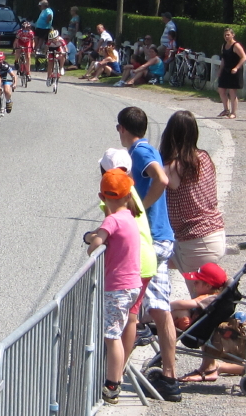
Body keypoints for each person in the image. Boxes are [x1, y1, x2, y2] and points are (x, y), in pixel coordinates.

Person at [116, 106, 180, 402]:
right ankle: (165, 372)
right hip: (160, 236)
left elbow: (162, 179)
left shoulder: (139, 152)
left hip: (152, 238)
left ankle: (163, 375)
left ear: (123, 129)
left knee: (153, 307)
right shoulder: (148, 147)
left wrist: (139, 205)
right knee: (154, 306)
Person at [93, 148, 157, 367]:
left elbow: (109, 228)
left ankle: (115, 375)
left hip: (132, 265)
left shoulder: (113, 201)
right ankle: (117, 372)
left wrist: (93, 238)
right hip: (143, 258)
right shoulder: (130, 192)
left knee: (127, 322)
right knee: (131, 318)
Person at [84, 168, 142, 405]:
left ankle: (112, 384)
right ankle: (112, 379)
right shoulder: (129, 217)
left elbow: (94, 246)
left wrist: (91, 238)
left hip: (117, 288)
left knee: (111, 335)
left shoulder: (112, 219)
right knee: (116, 330)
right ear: (129, 195)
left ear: (102, 197)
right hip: (133, 284)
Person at [159, 110, 226, 295]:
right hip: (212, 233)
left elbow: (158, 178)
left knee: (201, 306)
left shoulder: (175, 166)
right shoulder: (203, 157)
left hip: (195, 241)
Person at [170, 262, 227, 331]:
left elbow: (182, 304)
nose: (194, 283)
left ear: (208, 286)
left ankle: (159, 323)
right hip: (198, 325)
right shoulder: (216, 295)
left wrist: (166, 305)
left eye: (197, 282)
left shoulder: (208, 298)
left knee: (182, 311)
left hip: (192, 330)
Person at [217, 27, 246, 119]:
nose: (226, 37)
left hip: (234, 71)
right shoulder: (224, 45)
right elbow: (223, 59)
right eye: (225, 35)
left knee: (232, 92)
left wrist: (236, 67)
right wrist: (220, 70)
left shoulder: (236, 45)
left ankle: (233, 112)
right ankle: (226, 109)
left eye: (228, 35)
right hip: (226, 70)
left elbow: (244, 57)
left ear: (233, 35)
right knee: (221, 90)